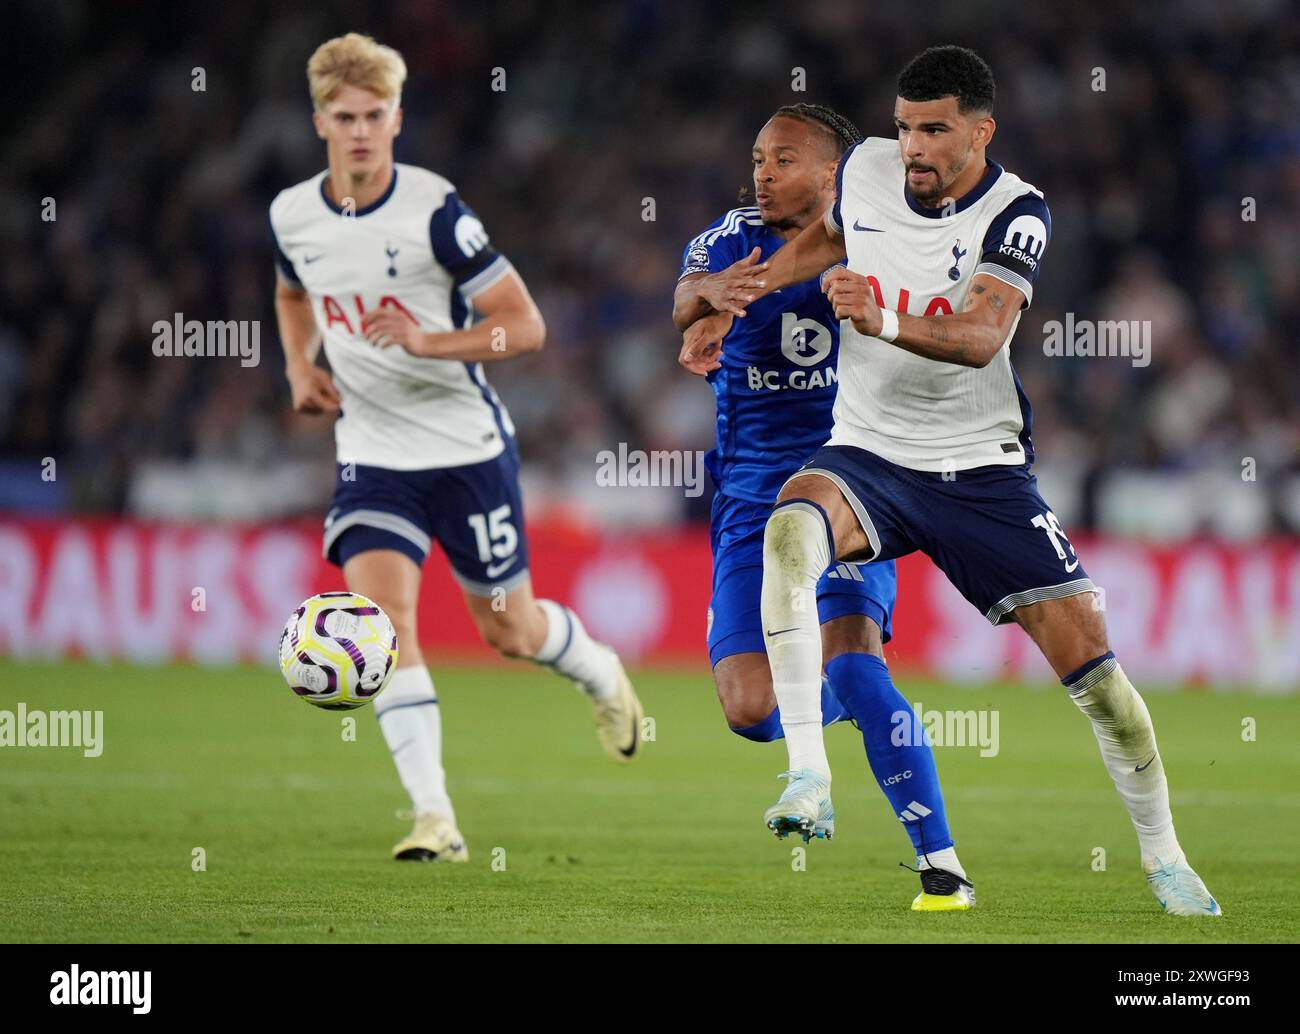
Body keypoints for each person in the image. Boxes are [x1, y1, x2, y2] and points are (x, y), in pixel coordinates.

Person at [714, 46, 1220, 916]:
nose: (913, 146)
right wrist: (746, 288)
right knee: (791, 528)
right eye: (906, 126)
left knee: (1103, 687)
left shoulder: (1018, 211)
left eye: (936, 130)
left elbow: (984, 333)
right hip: (869, 453)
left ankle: (1166, 857)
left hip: (979, 470)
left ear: (981, 132)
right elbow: (834, 236)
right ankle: (807, 775)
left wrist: (883, 315)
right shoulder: (868, 169)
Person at [270, 32, 643, 863]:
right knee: (384, 622)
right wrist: (299, 365)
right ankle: (434, 818)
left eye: (374, 115)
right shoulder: (292, 214)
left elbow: (529, 326)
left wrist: (424, 342)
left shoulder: (436, 212)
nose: (361, 131)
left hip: (466, 450)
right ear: (320, 121)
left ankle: (598, 670)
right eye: (344, 117)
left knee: (507, 631)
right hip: (372, 454)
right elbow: (292, 289)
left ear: (397, 118)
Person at [674, 103, 971, 910]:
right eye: (760, 157)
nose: (765, 172)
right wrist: (706, 298)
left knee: (855, 659)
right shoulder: (729, 239)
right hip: (748, 497)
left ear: (832, 174)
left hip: (851, 486)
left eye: (785, 159)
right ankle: (822, 697)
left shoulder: (881, 238)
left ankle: (941, 866)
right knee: (749, 710)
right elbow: (683, 305)